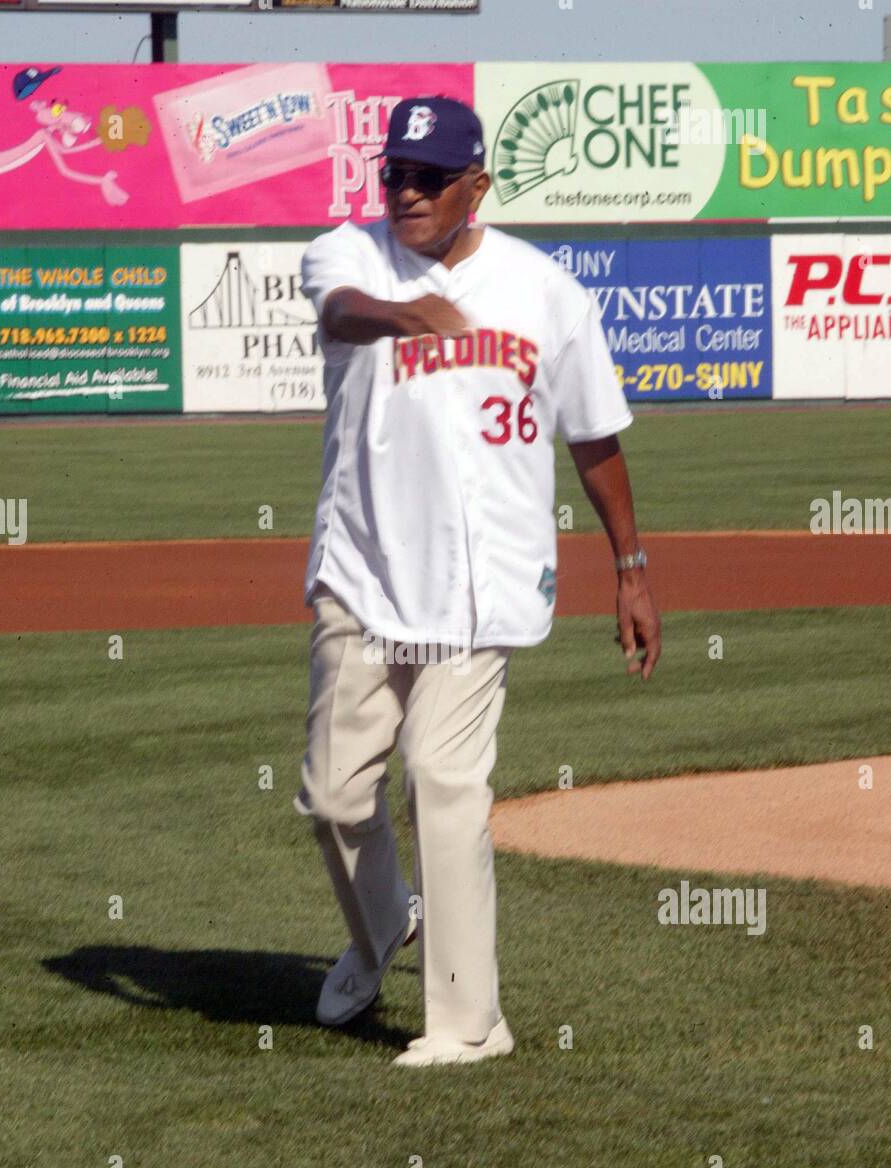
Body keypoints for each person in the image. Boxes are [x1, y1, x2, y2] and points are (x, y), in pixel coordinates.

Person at [294, 95, 661, 1068]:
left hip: (478, 579)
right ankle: (384, 931)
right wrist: (403, 311)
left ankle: (468, 1020)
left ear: (476, 185)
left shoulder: (545, 292)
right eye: (394, 174)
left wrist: (630, 567)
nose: (405, 191)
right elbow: (340, 311)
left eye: (428, 176)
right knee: (334, 795)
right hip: (362, 571)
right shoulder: (350, 254)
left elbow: (593, 436)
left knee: (446, 783)